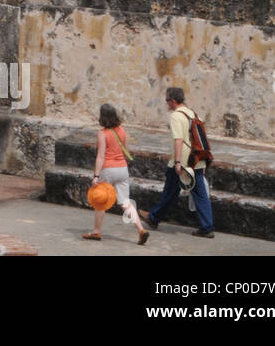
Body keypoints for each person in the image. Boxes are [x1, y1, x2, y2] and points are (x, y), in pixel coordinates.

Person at [142, 87, 214, 238]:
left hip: (183, 162)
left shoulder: (176, 116)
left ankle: (154, 218)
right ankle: (207, 227)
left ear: (173, 101)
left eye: (167, 100)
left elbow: (179, 140)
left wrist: (177, 162)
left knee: (170, 191)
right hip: (196, 161)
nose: (166, 103)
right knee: (200, 194)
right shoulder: (193, 113)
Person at [83, 104, 149, 244]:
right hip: (122, 169)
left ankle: (96, 232)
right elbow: (126, 151)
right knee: (125, 202)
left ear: (102, 117)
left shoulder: (102, 133)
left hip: (108, 169)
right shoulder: (122, 131)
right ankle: (141, 230)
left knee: (100, 201)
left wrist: (96, 176)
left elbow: (100, 156)